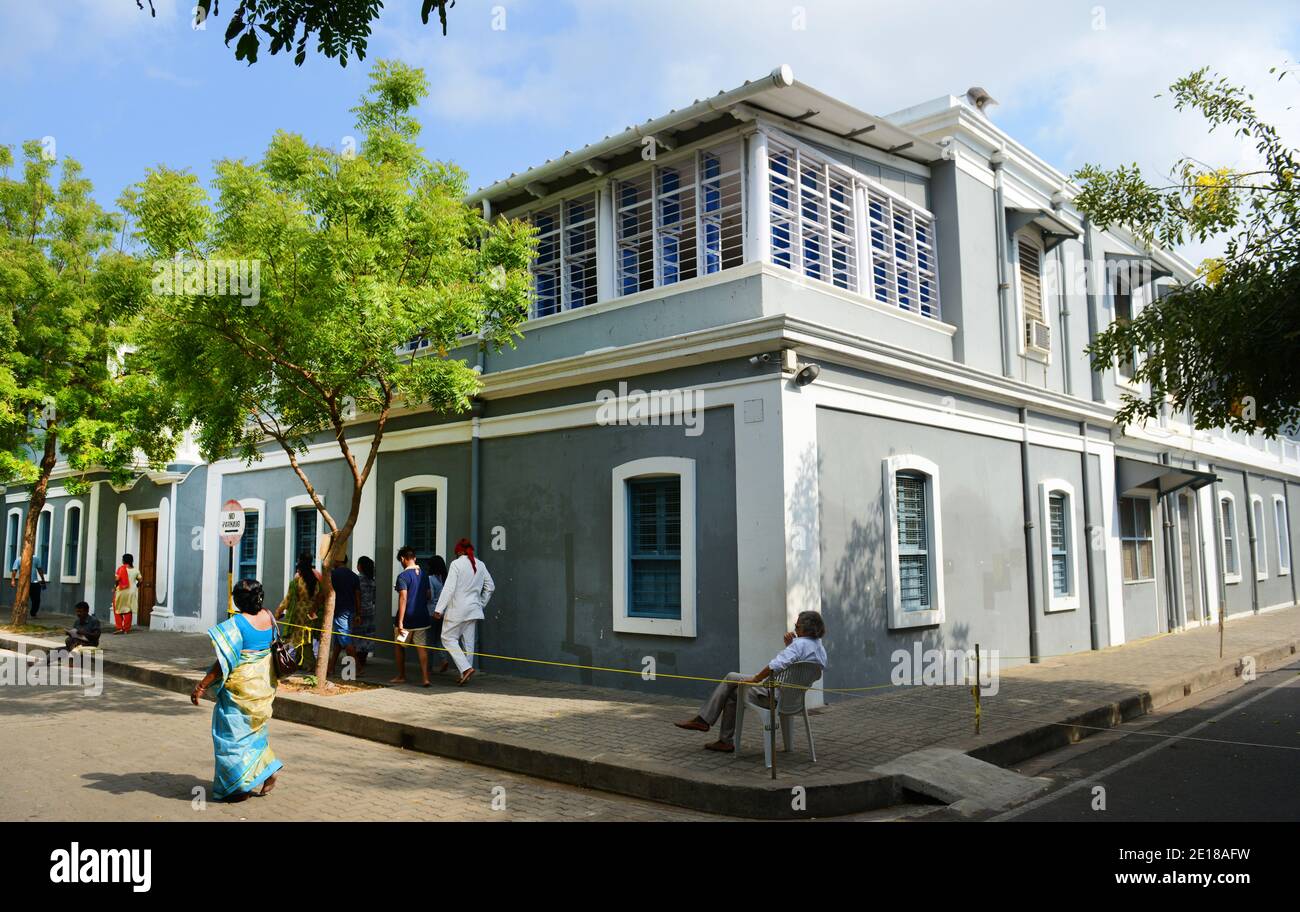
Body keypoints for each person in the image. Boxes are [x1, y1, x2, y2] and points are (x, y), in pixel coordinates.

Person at [674, 610, 827, 753]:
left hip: (771, 696)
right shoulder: (819, 648)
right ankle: (723, 739)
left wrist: (756, 679)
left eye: (797, 626)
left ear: (807, 629)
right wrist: (790, 646)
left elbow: (774, 666)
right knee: (733, 691)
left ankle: (705, 722)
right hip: (793, 699)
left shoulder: (799, 644)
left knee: (731, 679)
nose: (795, 629)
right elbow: (811, 672)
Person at [191, 579, 283, 802]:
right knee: (255, 734)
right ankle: (268, 770)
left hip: (239, 690)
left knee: (231, 738)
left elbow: (222, 664)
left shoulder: (236, 624)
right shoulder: (269, 616)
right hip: (263, 687)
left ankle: (237, 787)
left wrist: (202, 686)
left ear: (237, 600)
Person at [432, 538, 495, 687]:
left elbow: (449, 588)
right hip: (474, 610)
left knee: (447, 638)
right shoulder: (481, 564)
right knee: (468, 643)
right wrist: (480, 604)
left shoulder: (456, 564)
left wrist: (439, 609)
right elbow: (490, 587)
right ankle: (464, 675)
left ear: (459, 552)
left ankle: (466, 668)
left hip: (458, 609)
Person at [392, 546, 434, 686]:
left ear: (402, 559)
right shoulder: (424, 574)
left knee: (399, 646)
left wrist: (400, 622)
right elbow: (428, 594)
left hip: (407, 620)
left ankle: (401, 676)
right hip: (422, 618)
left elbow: (403, 598)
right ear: (414, 558)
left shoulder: (403, 576)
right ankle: (425, 678)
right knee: (422, 648)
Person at [276, 555, 322, 670]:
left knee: (303, 640)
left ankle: (311, 664)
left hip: (298, 614)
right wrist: (314, 610)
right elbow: (319, 598)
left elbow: (287, 600)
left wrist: (278, 612)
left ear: (300, 569)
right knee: (304, 638)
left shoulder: (296, 582)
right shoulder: (315, 581)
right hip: (311, 613)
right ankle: (299, 662)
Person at [327, 555, 362, 677]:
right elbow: (358, 596)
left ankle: (358, 667)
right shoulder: (354, 576)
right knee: (338, 641)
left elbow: (324, 592)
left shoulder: (333, 575)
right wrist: (358, 613)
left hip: (339, 611)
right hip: (350, 611)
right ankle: (331, 668)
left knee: (346, 640)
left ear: (338, 560)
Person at [354, 556, 377, 675]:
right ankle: (363, 659)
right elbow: (374, 598)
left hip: (359, 612)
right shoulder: (372, 581)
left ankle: (357, 663)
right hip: (370, 612)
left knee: (357, 637)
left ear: (360, 567)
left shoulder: (357, 580)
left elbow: (355, 596)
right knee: (367, 637)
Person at [10, 553, 47, 617]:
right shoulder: (19, 559)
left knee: (36, 599)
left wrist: (43, 579)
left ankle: (33, 612)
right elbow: (14, 570)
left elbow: (39, 569)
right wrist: (13, 580)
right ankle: (20, 613)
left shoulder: (36, 559)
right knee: (22, 599)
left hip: (34, 582)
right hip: (24, 583)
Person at [112, 554, 140, 635]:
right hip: (131, 592)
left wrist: (115, 587)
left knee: (117, 608)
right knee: (128, 609)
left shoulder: (121, 569)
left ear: (124, 560)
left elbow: (117, 579)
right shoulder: (136, 570)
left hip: (121, 591)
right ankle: (126, 629)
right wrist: (136, 586)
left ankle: (120, 627)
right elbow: (140, 580)